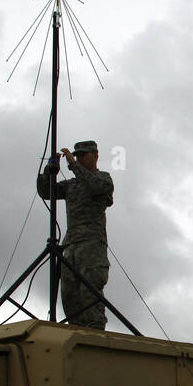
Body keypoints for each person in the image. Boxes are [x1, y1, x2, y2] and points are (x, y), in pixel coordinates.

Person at [37, 139, 113, 329]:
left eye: (82, 155)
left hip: (92, 244)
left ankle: (96, 334)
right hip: (71, 245)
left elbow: (96, 187)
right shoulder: (72, 184)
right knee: (70, 294)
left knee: (90, 291)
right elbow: (46, 192)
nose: (79, 159)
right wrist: (50, 169)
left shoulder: (102, 178)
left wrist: (72, 164)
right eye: (77, 155)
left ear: (95, 156)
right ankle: (77, 331)